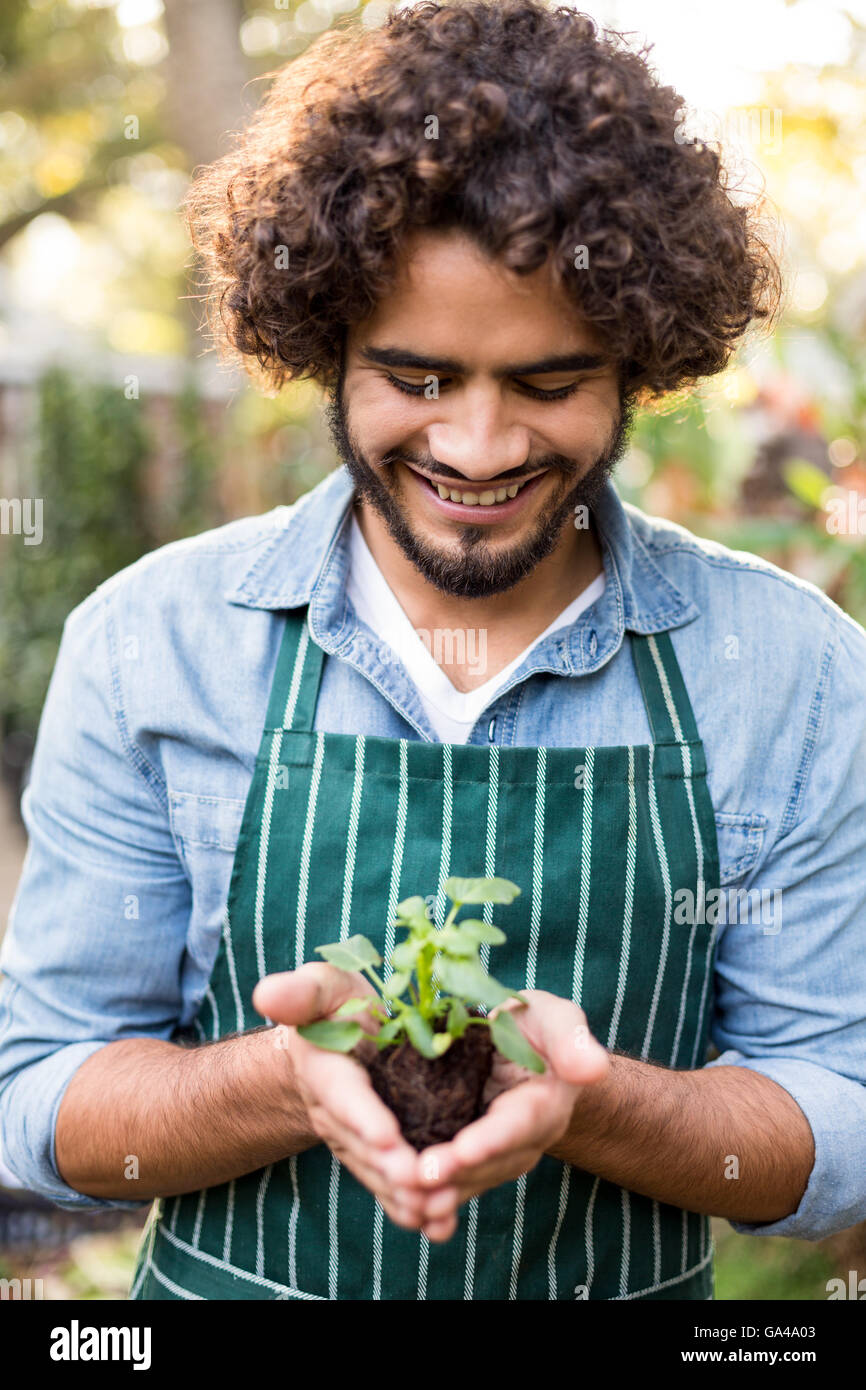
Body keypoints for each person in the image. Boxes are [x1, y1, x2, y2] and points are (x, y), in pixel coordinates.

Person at [1, 0, 864, 1302]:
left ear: (636, 361)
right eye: (415, 378)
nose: (475, 446)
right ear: (325, 343)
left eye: (544, 382)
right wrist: (278, 1079)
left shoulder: (784, 666)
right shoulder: (156, 643)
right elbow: (44, 1106)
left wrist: (591, 1103)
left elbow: (836, 1124)